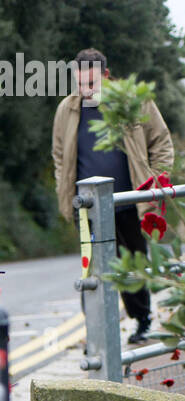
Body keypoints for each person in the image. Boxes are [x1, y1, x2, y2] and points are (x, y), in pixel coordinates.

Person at [52, 46, 174, 345]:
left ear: (106, 76)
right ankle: (95, 336)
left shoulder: (135, 102)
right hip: (90, 207)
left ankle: (143, 322)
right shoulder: (66, 109)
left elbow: (162, 143)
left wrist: (155, 183)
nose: (86, 89)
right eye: (80, 83)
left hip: (132, 201)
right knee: (92, 269)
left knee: (133, 264)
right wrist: (65, 190)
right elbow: (59, 155)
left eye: (92, 82)